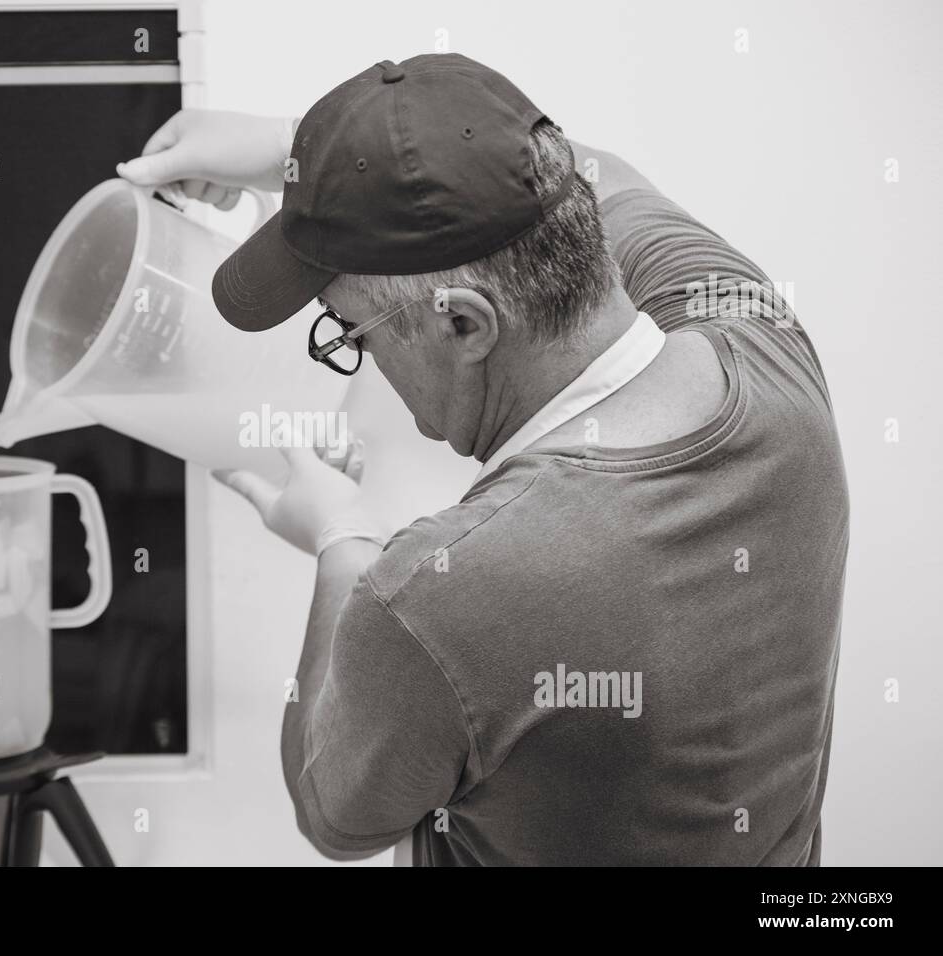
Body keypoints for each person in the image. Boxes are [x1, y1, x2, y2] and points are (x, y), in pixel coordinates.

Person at [118, 54, 849, 866]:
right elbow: (595, 175)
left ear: (464, 325)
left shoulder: (437, 596)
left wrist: (344, 544)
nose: (357, 362)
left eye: (347, 334)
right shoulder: (760, 340)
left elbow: (335, 814)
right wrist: (296, 152)